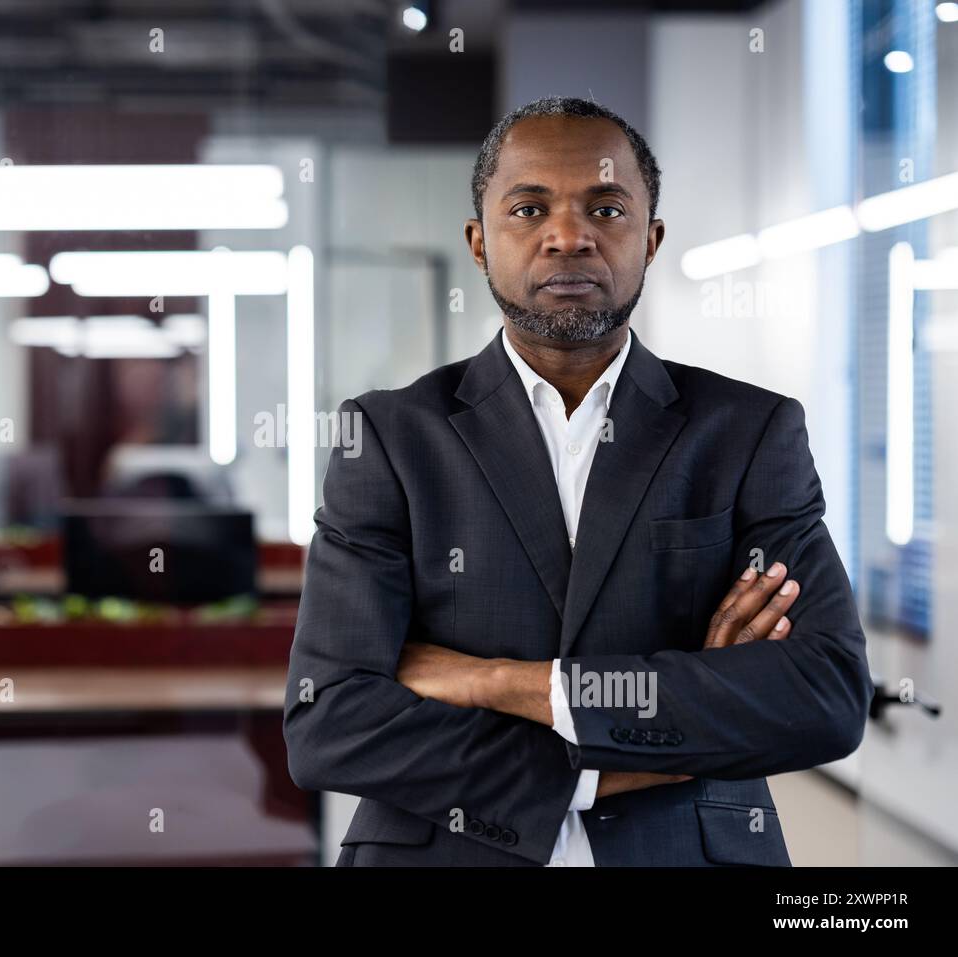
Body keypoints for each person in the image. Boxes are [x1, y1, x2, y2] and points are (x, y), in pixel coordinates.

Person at [282, 96, 873, 867]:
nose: (569, 235)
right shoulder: (390, 438)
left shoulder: (749, 433)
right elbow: (330, 722)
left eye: (607, 207)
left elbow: (824, 698)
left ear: (651, 239)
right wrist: (657, 739)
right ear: (479, 241)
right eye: (529, 208)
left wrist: (497, 680)